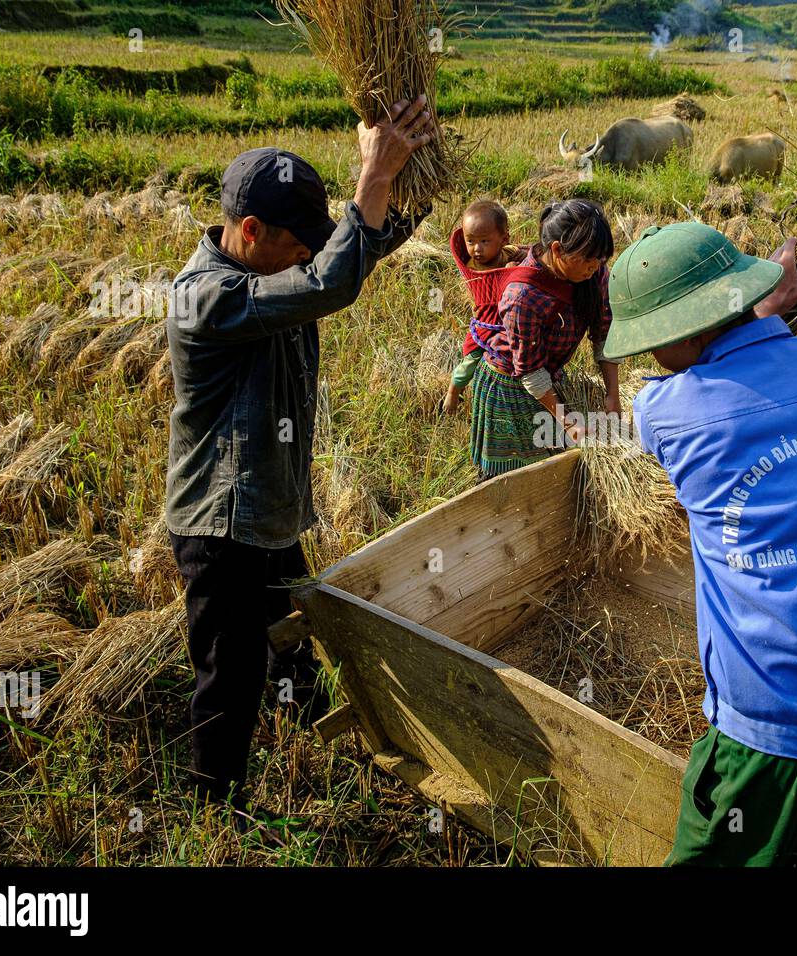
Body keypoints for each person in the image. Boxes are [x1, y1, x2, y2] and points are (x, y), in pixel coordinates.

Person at [601, 222, 797, 866]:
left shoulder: (666, 411)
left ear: (685, 333)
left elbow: (685, 398)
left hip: (778, 722)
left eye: (652, 341)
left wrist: (765, 310)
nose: (647, 356)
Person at [164, 95, 437, 816]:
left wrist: (409, 174)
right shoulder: (209, 298)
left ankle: (309, 733)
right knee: (232, 671)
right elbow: (331, 281)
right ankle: (212, 810)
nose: (309, 252)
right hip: (222, 523)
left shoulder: (272, 269)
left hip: (273, 509)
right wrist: (369, 181)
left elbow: (357, 248)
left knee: (295, 636)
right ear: (249, 230)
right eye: (297, 240)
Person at [469, 198, 620, 479]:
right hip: (511, 387)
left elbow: (604, 333)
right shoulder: (522, 297)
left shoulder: (594, 272)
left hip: (549, 376)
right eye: (588, 258)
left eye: (600, 258)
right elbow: (530, 370)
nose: (596, 266)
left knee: (559, 471)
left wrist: (613, 396)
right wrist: (567, 421)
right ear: (557, 249)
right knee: (511, 479)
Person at [441, 199, 526, 414]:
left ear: (503, 239)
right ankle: (453, 391)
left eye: (485, 241)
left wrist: (519, 258)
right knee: (470, 362)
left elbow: (522, 255)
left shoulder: (507, 252)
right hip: (487, 323)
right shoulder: (476, 267)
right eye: (470, 241)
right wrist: (511, 270)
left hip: (509, 321)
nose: (476, 249)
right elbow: (501, 281)